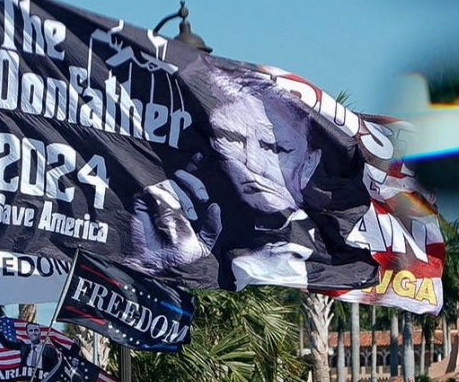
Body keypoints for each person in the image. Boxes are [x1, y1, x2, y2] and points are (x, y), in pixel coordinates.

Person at [129, 57, 333, 289]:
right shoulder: (187, 219)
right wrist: (147, 262)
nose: (252, 163)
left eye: (275, 148)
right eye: (232, 138)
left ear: (309, 161)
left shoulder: (321, 247)